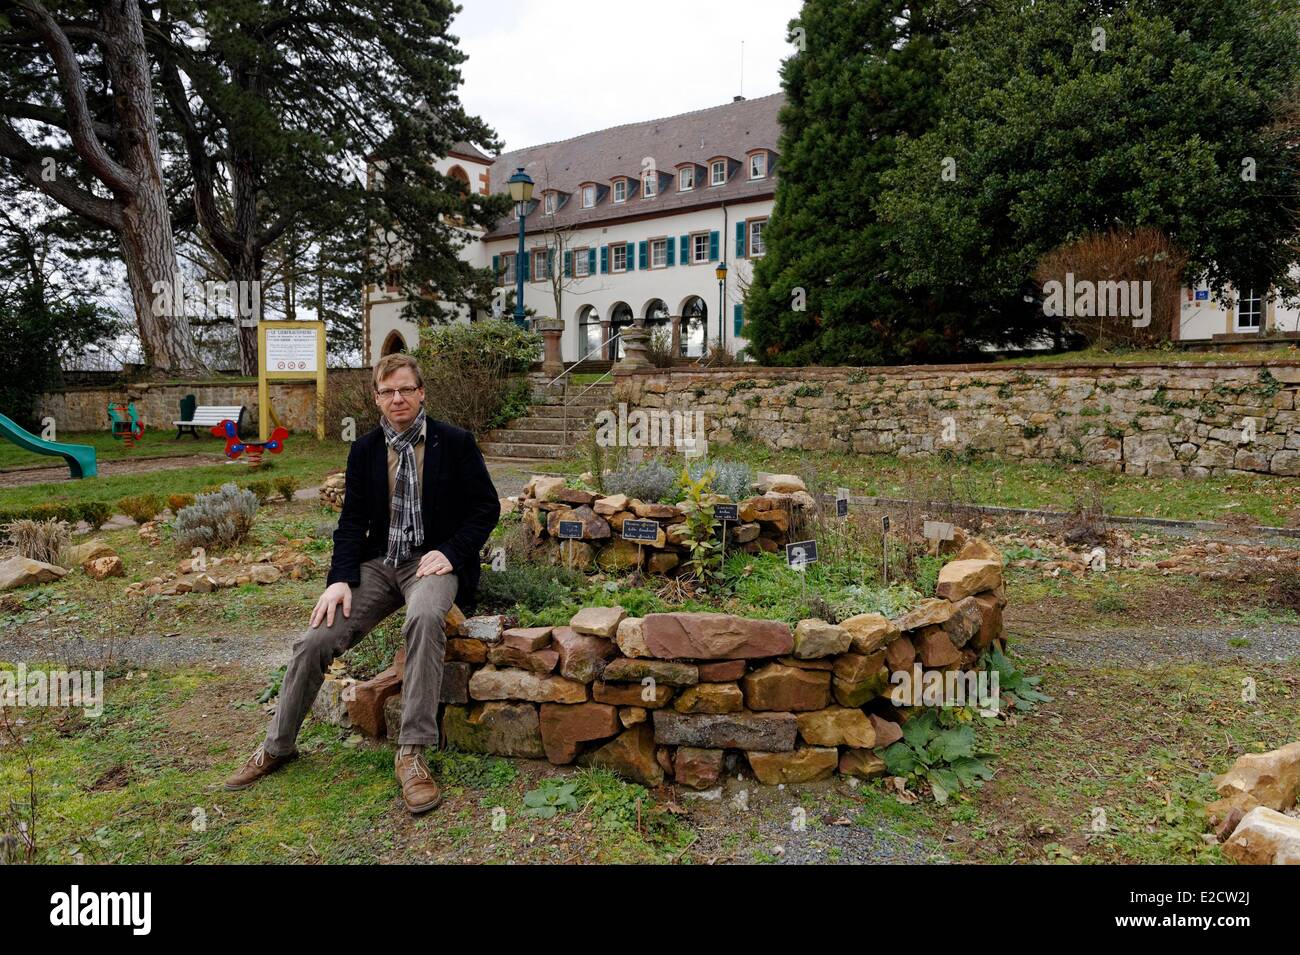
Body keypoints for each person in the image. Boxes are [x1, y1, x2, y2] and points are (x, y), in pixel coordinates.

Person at [223, 353, 501, 814]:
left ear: (421, 392)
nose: (398, 398)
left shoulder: (455, 442)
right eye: (388, 391)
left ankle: (411, 753)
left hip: (431, 564)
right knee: (316, 638)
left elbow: (485, 509)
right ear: (376, 397)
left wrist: (451, 552)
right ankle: (278, 745)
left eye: (406, 389)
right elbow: (351, 522)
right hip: (379, 563)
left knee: (426, 617)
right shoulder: (366, 449)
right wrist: (338, 580)